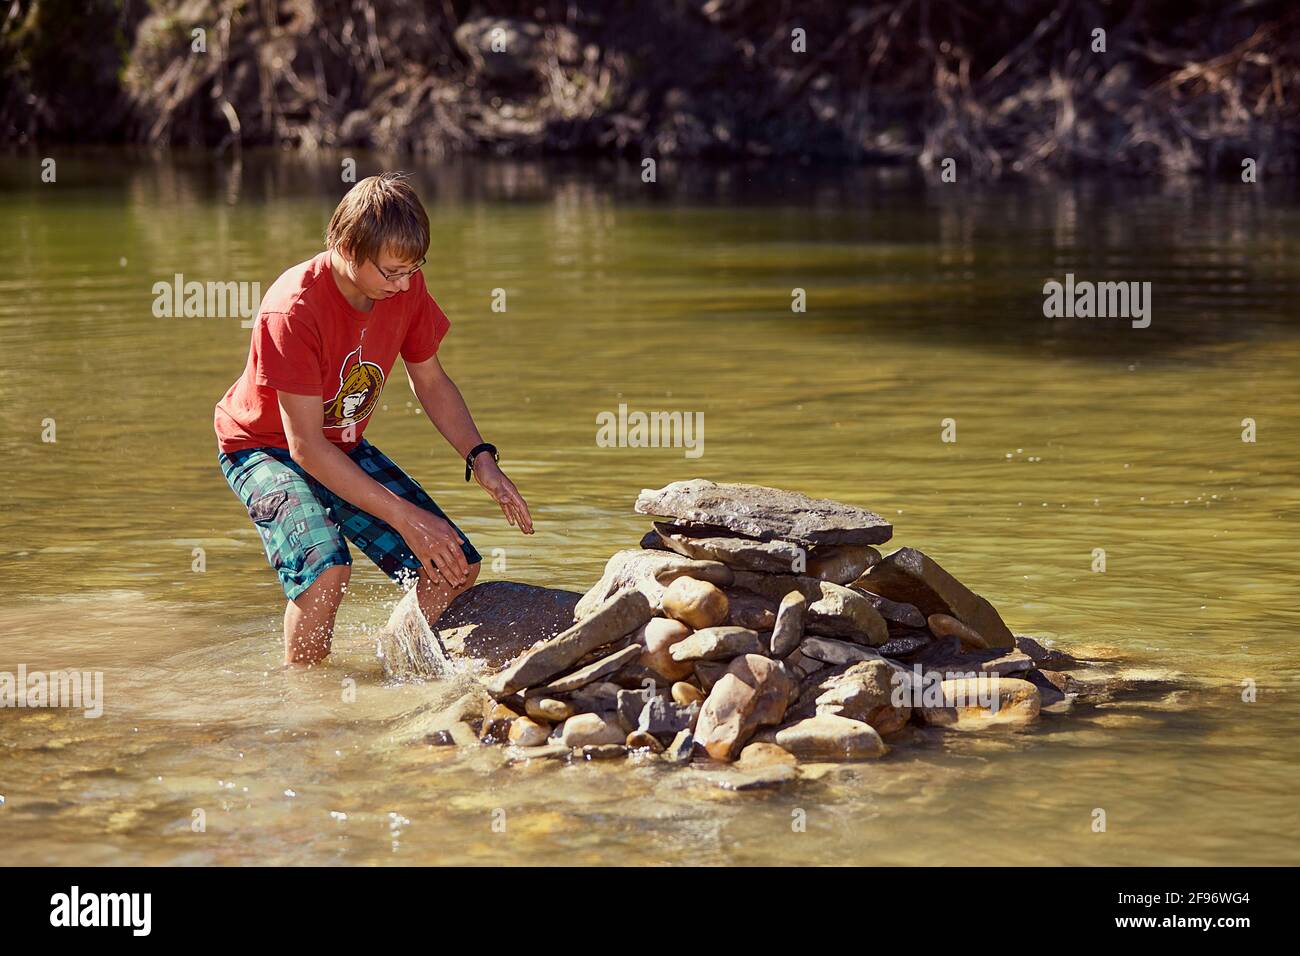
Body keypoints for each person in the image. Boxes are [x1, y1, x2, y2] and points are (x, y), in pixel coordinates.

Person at [214, 172, 533, 665]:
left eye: (412, 269)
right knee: (326, 570)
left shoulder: (404, 287)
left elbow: (430, 381)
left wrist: (481, 459)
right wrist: (407, 519)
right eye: (391, 272)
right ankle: (309, 700)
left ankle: (386, 659)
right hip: (263, 447)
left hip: (337, 443)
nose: (405, 284)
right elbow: (303, 449)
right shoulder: (293, 310)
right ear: (345, 246)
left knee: (453, 566)